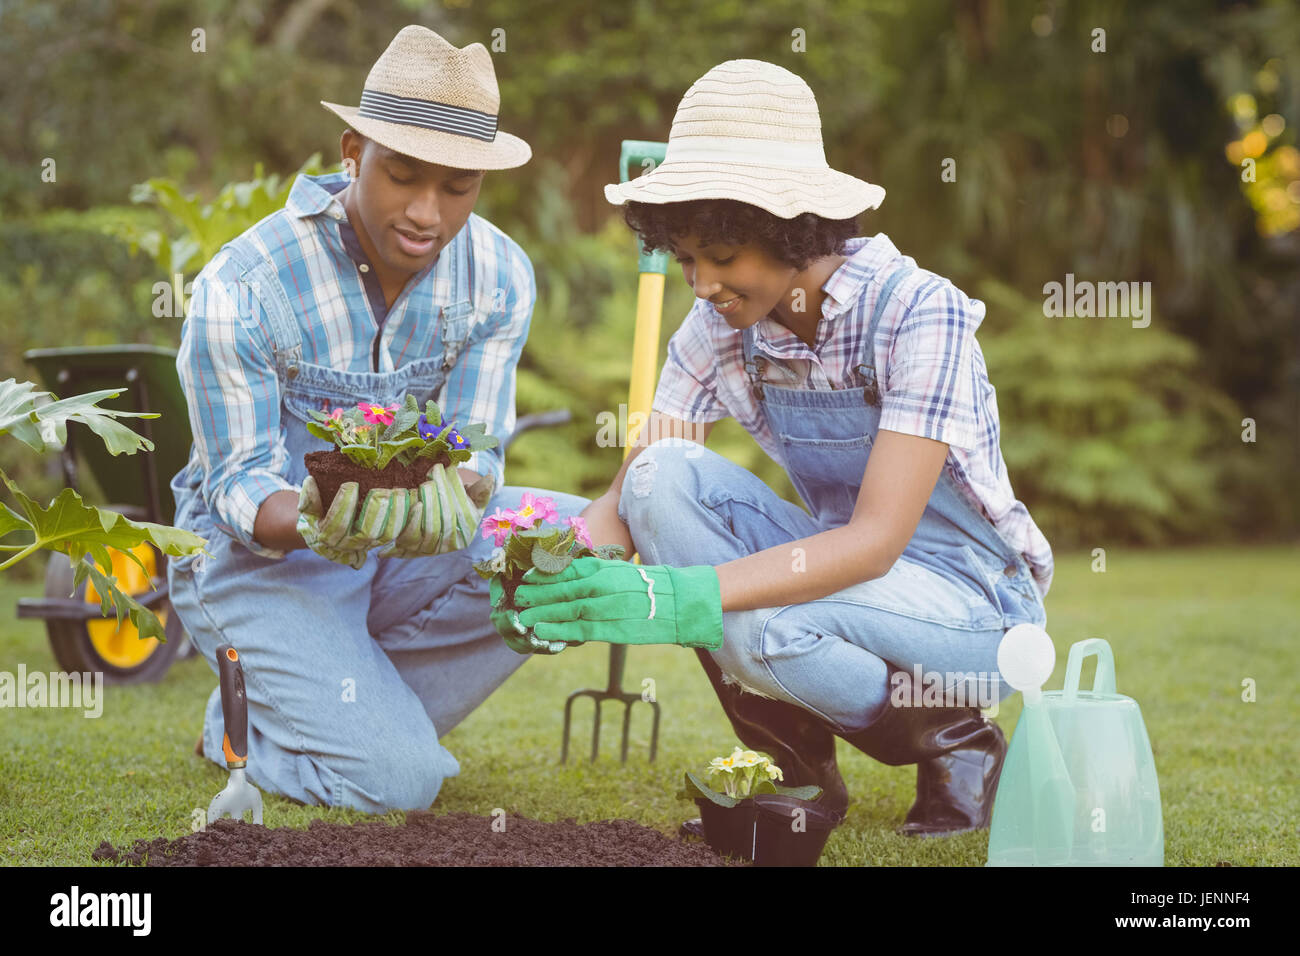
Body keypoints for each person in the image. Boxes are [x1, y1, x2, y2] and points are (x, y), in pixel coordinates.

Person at [492, 59, 1053, 837]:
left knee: (754, 626)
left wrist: (684, 598)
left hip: (970, 610)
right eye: (685, 259)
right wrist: (553, 575)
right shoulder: (719, 331)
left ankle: (954, 732)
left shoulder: (920, 314)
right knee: (661, 477)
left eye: (720, 259)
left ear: (787, 229)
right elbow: (631, 497)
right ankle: (800, 772)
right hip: (832, 574)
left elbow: (876, 541)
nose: (700, 285)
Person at [169, 26, 585, 812]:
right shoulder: (246, 287)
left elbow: (476, 454)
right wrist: (338, 515)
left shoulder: (498, 275)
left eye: (457, 189)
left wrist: (445, 496)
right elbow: (238, 490)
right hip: (261, 558)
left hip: (393, 546)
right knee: (401, 782)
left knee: (559, 537)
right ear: (352, 151)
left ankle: (294, 708)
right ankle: (305, 725)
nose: (427, 213)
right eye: (402, 176)